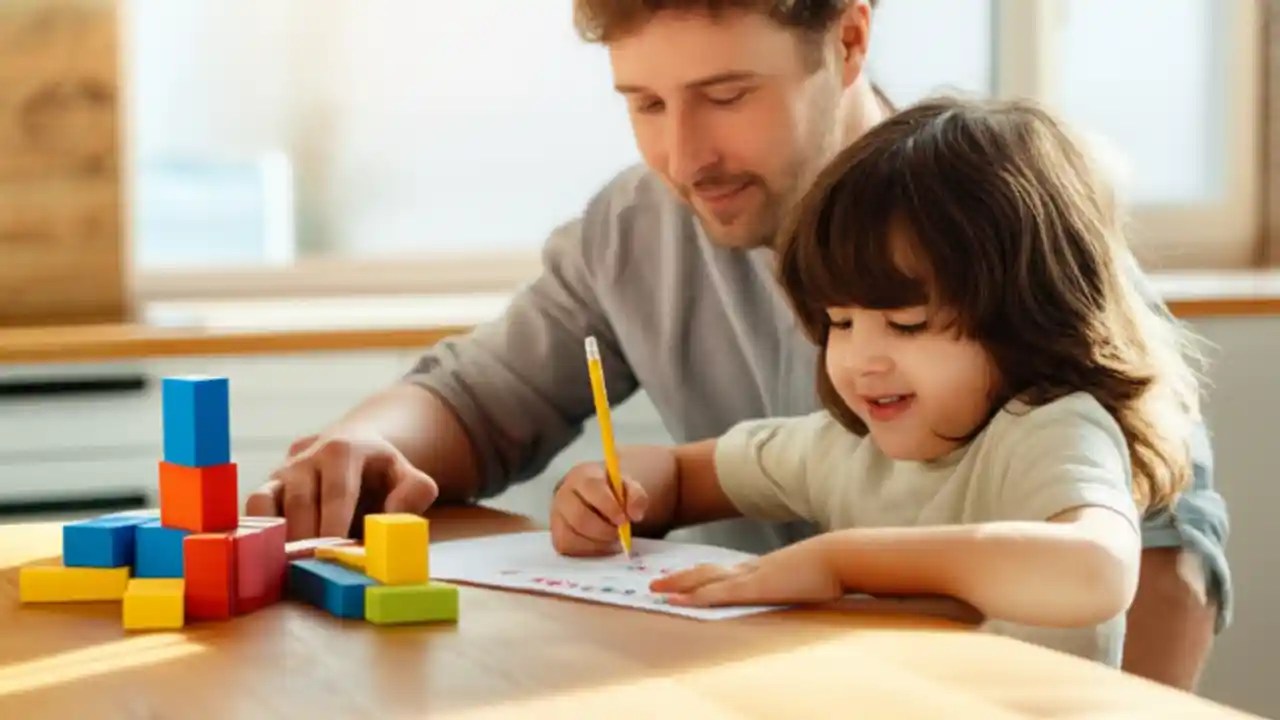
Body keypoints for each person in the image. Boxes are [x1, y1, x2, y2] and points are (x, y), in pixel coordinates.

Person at [246, 0, 1230, 687]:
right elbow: (474, 396)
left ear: (846, 40)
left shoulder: (996, 222)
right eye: (643, 104)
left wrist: (848, 561)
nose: (682, 159)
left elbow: (1154, 563)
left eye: (725, 96)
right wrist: (367, 447)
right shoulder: (640, 226)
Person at [550, 95, 1201, 667]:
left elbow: (1096, 570)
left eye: (907, 324)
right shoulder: (846, 447)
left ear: (1027, 314)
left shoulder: (1050, 430)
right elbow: (683, 475)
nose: (863, 358)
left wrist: (840, 562)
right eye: (840, 321)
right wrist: (614, 491)